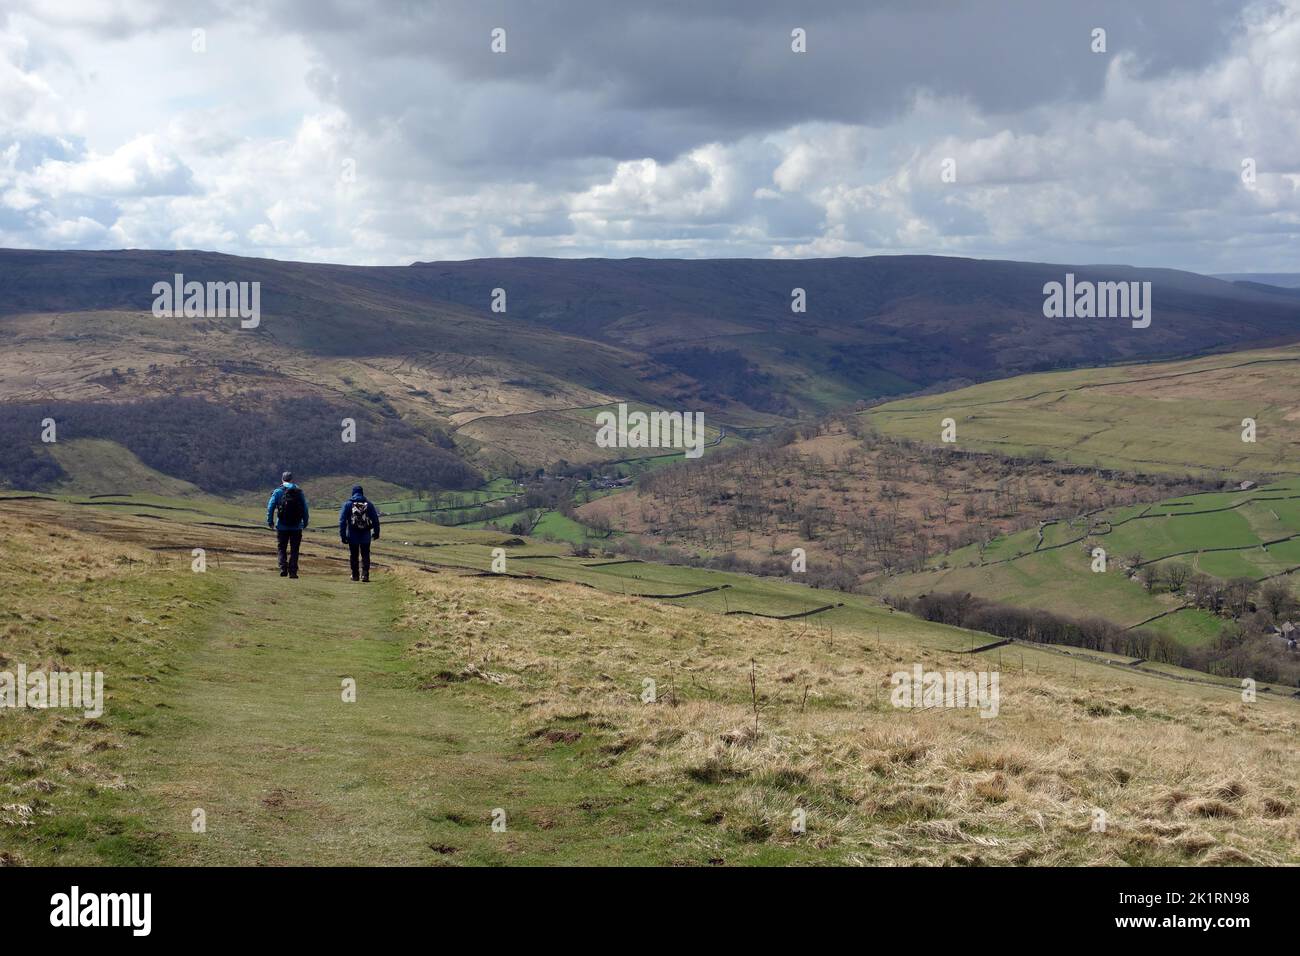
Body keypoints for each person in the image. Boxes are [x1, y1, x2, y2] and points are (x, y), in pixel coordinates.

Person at [266, 471, 309, 578]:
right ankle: (293, 572)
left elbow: (270, 507)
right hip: (296, 526)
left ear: (282, 479)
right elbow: (305, 508)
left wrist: (270, 521)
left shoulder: (277, 491)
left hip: (281, 525)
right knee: (295, 549)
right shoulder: (298, 492)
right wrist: (305, 522)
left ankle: (283, 568)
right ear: (291, 480)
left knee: (282, 548)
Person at [339, 485, 380, 582]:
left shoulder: (348, 504)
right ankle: (365, 575)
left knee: (354, 555)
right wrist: (376, 532)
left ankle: (355, 575)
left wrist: (343, 535)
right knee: (365, 555)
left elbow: (342, 521)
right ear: (362, 493)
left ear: (353, 493)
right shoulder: (369, 504)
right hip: (365, 535)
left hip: (352, 535)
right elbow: (375, 520)